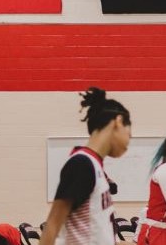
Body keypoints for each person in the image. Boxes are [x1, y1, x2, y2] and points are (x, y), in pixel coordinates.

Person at [42, 88, 133, 245]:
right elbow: (52, 225)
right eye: (129, 135)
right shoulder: (82, 164)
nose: (128, 143)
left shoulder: (95, 167)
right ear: (118, 122)